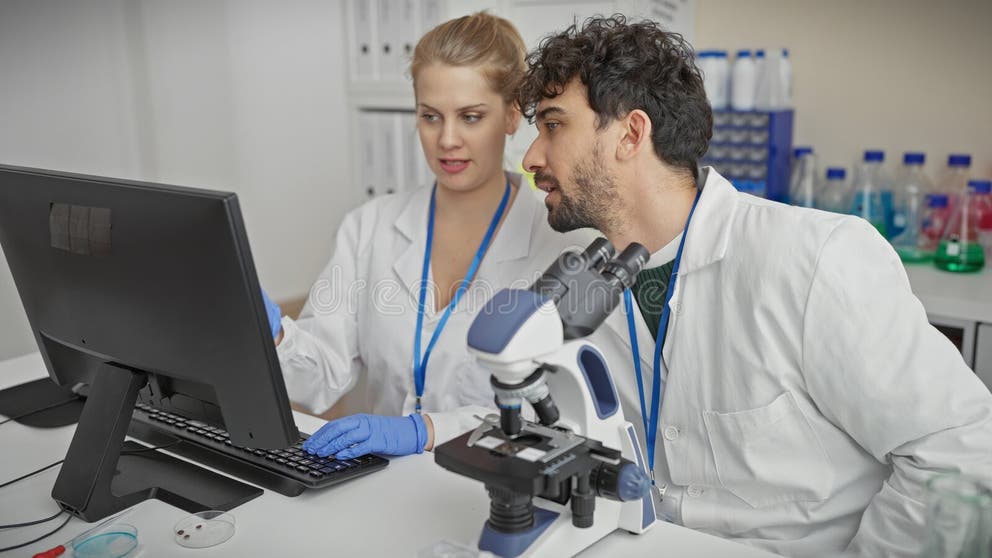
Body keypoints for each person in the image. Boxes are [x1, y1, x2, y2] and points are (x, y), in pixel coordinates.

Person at [517, 15, 992, 558]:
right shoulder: (581, 280)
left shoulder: (813, 259)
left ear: (631, 134)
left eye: (553, 125)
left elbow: (958, 450)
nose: (531, 157)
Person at [263, 13, 591, 461]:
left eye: (471, 117)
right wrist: (274, 332)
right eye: (430, 116)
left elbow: (557, 412)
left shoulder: (560, 242)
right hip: (380, 486)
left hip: (496, 491)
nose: (447, 140)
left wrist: (427, 431)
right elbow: (319, 378)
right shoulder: (369, 227)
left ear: (513, 115)